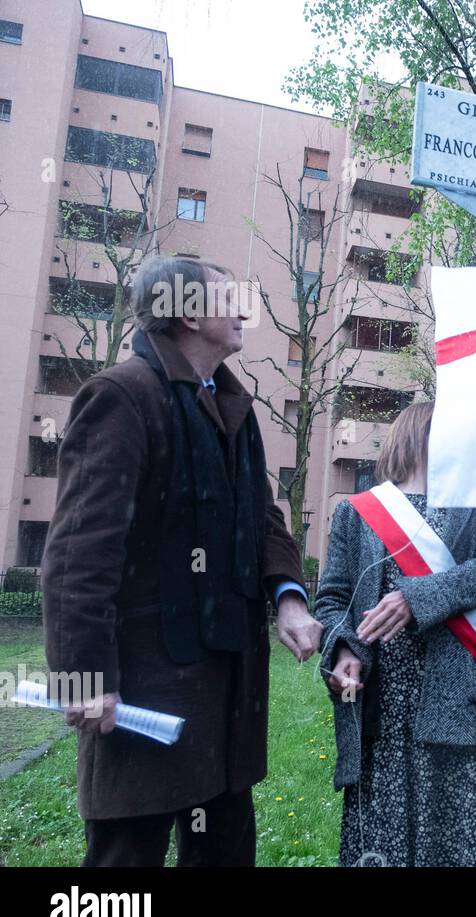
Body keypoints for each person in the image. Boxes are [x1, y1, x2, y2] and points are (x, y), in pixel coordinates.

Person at [42, 255, 320, 867]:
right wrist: (83, 677)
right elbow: (75, 557)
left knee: (223, 853)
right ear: (189, 313)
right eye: (231, 297)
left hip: (227, 696)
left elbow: (263, 519)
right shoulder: (121, 396)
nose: (245, 309)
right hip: (146, 689)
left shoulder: (234, 407)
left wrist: (289, 597)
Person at [315, 400, 476, 867]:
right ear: (420, 435)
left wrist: (415, 598)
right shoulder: (356, 513)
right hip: (382, 709)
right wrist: (343, 650)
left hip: (457, 707)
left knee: (461, 843)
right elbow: (330, 601)